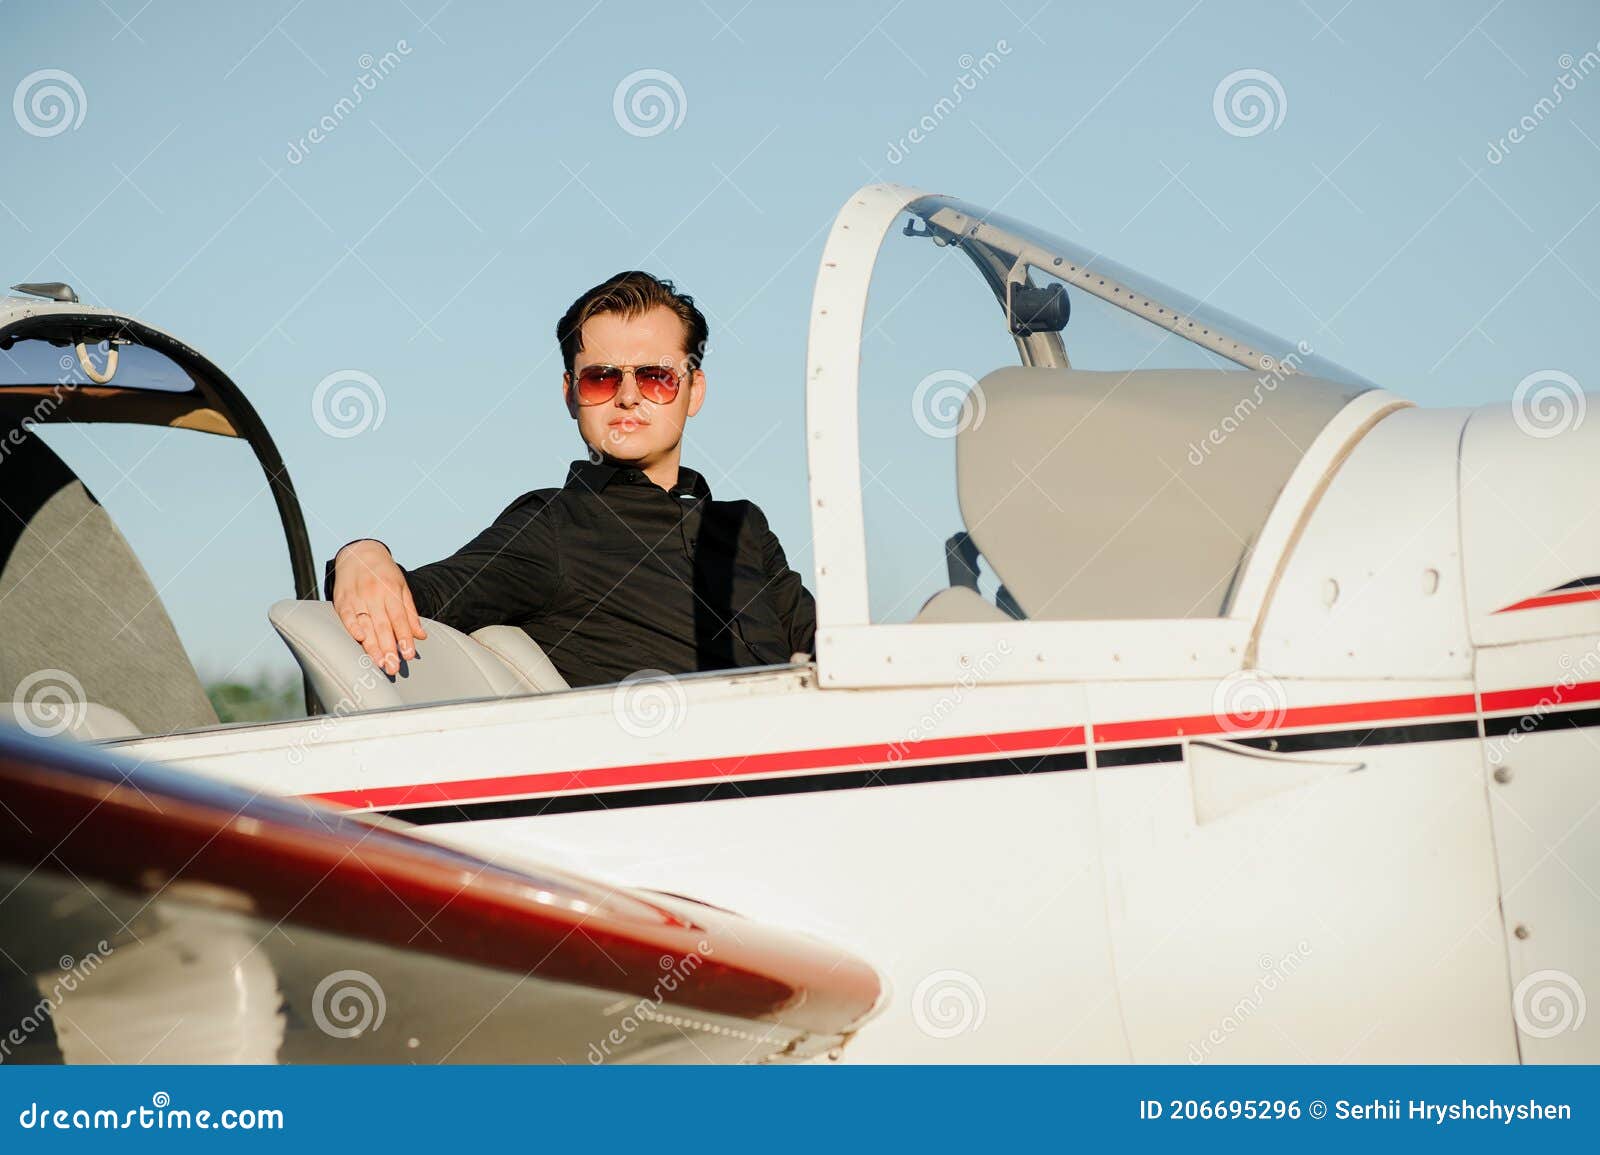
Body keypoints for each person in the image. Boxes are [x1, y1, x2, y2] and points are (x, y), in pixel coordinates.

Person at [325, 271, 815, 688]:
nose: (627, 396)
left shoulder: (743, 530)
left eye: (656, 377)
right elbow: (419, 597)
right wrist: (360, 554)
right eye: (600, 378)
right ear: (570, 395)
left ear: (694, 391)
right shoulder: (555, 526)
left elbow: (828, 649)